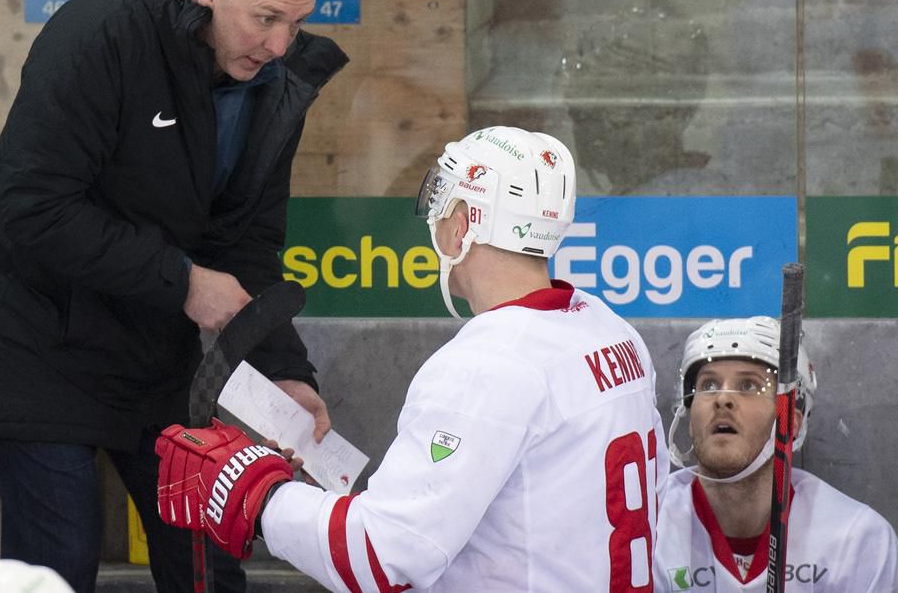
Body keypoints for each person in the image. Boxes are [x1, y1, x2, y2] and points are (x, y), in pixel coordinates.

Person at [0, 0, 347, 593]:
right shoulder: (103, 32)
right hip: (34, 341)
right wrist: (183, 280)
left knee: (207, 556)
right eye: (266, 19)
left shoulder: (274, 81)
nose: (281, 45)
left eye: (297, 23)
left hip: (150, 350)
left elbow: (247, 243)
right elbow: (32, 205)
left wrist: (283, 372)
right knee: (60, 559)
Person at [153, 125, 669, 591]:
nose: (433, 221)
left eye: (442, 203)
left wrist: (255, 493)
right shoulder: (609, 330)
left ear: (463, 224)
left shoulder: (489, 363)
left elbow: (384, 557)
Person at [655, 316, 898, 591]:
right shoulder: (648, 528)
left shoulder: (857, 540)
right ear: (689, 416)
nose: (722, 399)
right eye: (709, 385)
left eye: (749, 385)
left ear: (791, 423)